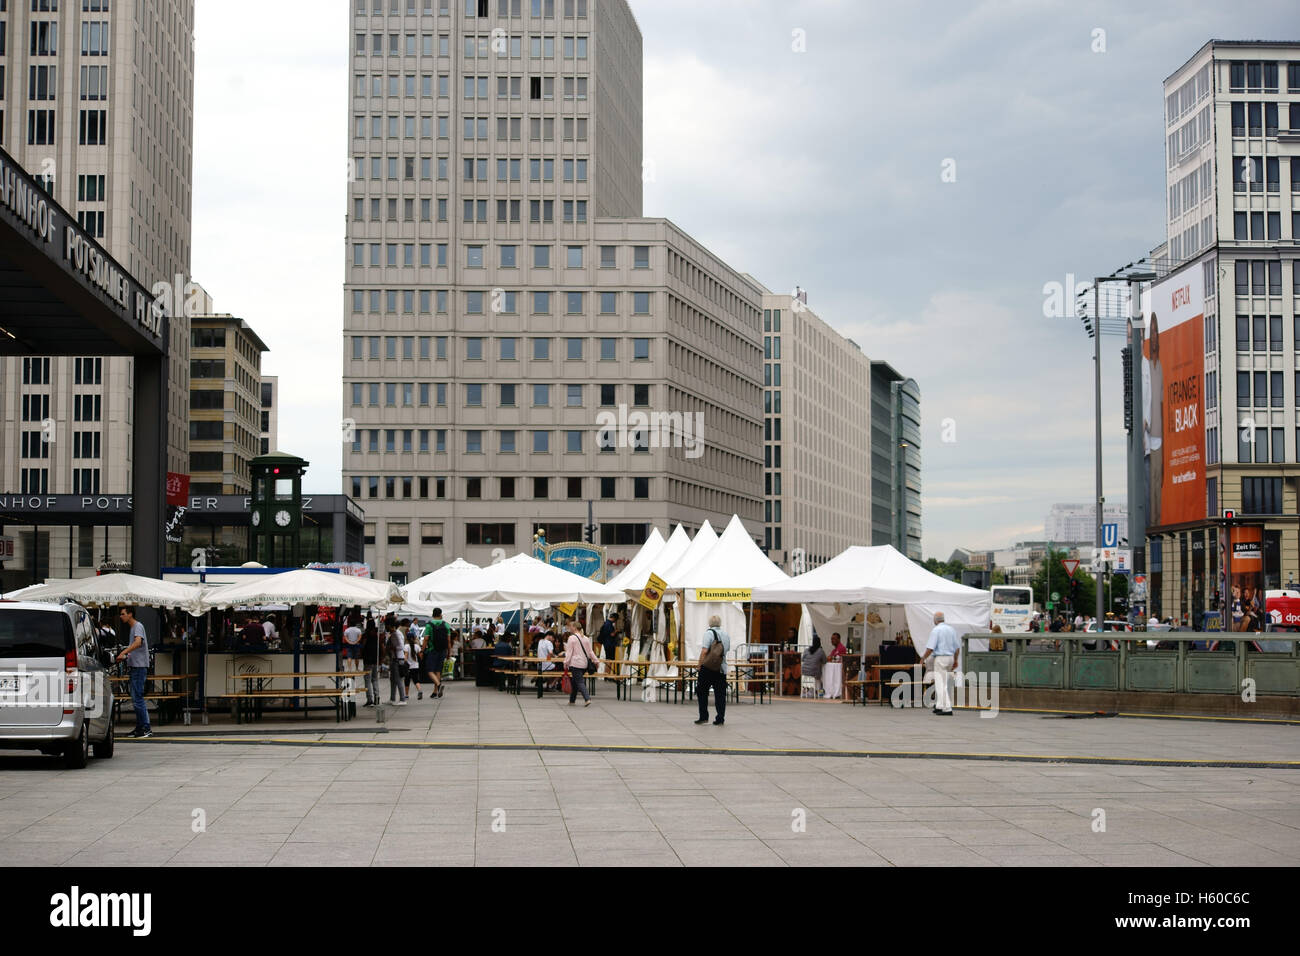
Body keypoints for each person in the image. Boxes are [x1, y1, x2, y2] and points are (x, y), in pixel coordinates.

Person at [116, 606, 152, 738]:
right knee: (136, 697)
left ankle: (146, 727)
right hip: (135, 666)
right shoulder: (133, 628)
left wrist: (124, 652)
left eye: (123, 614)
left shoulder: (137, 626)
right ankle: (140, 727)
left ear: (130, 614)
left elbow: (138, 643)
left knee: (138, 698)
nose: (121, 616)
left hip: (139, 666)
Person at [918, 611, 960, 716]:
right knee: (943, 682)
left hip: (941, 658)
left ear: (935, 620)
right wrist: (955, 660)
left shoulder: (936, 630)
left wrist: (923, 658)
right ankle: (939, 705)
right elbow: (957, 648)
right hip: (950, 658)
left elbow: (930, 648)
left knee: (941, 684)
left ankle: (947, 708)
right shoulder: (951, 630)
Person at [695, 615, 730, 725]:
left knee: (702, 692)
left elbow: (704, 651)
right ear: (720, 623)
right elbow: (726, 649)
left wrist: (699, 665)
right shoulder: (726, 634)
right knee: (720, 694)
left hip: (708, 668)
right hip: (721, 668)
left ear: (710, 623)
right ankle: (720, 718)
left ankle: (704, 716)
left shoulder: (708, 633)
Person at [562, 621, 595, 706]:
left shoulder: (572, 638)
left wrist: (565, 662)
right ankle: (572, 700)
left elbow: (569, 652)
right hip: (584, 664)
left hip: (575, 663)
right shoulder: (586, 638)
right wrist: (596, 660)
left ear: (575, 628)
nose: (569, 628)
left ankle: (587, 698)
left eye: (571, 626)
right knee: (575, 682)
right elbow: (590, 652)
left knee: (579, 681)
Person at [425, 610, 449, 698]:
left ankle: (438, 685)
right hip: (443, 650)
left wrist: (422, 650)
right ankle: (435, 692)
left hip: (432, 650)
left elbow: (426, 638)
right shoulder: (445, 624)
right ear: (440, 614)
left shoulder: (429, 625)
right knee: (438, 670)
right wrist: (448, 652)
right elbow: (448, 640)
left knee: (430, 671)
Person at [386, 620, 408, 704]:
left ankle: (402, 699)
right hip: (397, 659)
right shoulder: (396, 633)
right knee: (393, 679)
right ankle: (392, 698)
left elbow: (400, 647)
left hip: (397, 659)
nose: (386, 628)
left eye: (387, 626)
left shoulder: (395, 634)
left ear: (391, 626)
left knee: (398, 679)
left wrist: (392, 647)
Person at [361, 617, 380, 706]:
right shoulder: (377, 635)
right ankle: (377, 697)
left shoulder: (366, 635)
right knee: (375, 679)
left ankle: (370, 699)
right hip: (375, 659)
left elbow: (363, 646)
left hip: (367, 660)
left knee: (368, 680)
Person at [405, 621, 424, 700]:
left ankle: (406, 695)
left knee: (407, 681)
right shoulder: (417, 646)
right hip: (416, 666)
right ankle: (419, 690)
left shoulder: (406, 646)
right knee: (416, 680)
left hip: (408, 666)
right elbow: (420, 656)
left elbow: (405, 656)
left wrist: (405, 662)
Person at [536, 629, 557, 693]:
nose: (553, 639)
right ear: (549, 636)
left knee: (553, 666)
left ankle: (547, 682)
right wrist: (555, 657)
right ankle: (551, 684)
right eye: (553, 637)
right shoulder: (549, 643)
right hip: (547, 665)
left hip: (539, 665)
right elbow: (550, 653)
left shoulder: (540, 641)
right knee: (559, 669)